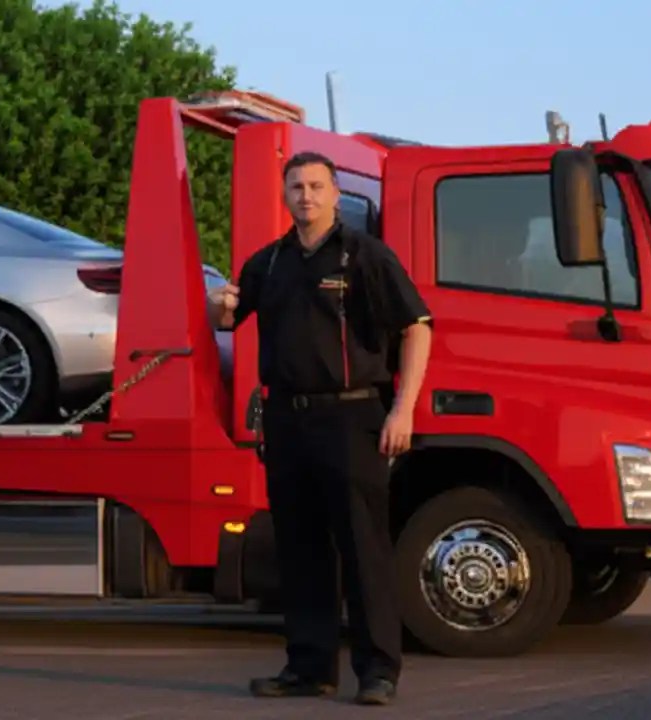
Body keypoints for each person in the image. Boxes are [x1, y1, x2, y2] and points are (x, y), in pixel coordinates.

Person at [208, 151, 432, 706]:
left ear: (335, 194)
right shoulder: (269, 263)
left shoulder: (365, 256)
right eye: (296, 187)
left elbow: (417, 327)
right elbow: (231, 320)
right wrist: (220, 309)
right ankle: (309, 667)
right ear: (284, 196)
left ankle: (378, 671)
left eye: (315, 186)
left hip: (353, 417)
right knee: (301, 549)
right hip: (287, 419)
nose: (305, 196)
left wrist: (403, 410)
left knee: (363, 547)